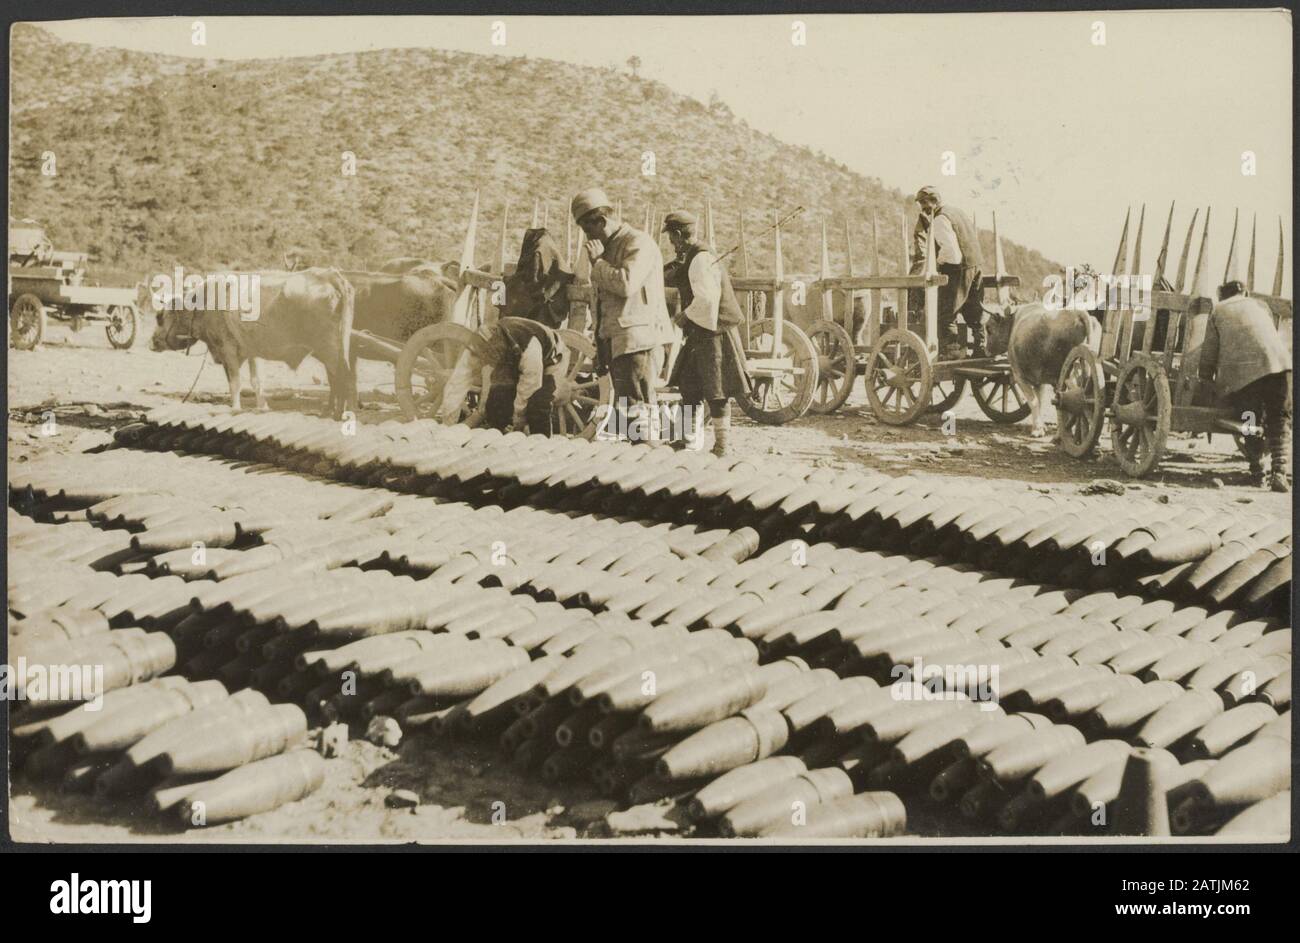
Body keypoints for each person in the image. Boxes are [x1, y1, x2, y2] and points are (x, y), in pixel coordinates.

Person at [571, 188, 673, 442]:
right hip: (619, 342)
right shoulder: (609, 248)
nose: (587, 237)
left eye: (588, 230)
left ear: (601, 221)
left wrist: (598, 264)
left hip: (638, 342)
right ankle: (641, 459)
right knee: (632, 413)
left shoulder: (637, 243)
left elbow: (626, 284)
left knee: (639, 411)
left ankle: (647, 464)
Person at [661, 211, 748, 456]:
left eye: (671, 237)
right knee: (689, 385)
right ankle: (686, 438)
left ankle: (722, 445)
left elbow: (707, 299)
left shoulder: (700, 259)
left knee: (716, 390)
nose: (671, 243)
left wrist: (684, 316)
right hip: (701, 332)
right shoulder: (694, 256)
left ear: (678, 235)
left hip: (713, 332)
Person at [1198, 268, 1292, 492]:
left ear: (1222, 295)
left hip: (1247, 374)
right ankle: (1280, 472)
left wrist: (1204, 377)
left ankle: (1257, 472)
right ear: (1245, 293)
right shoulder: (1259, 306)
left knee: (1249, 419)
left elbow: (1210, 351)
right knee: (1279, 418)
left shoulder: (1218, 311)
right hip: (1281, 367)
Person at [437, 316, 569, 435]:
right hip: (515, 357)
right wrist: (448, 425)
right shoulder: (479, 345)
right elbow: (457, 382)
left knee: (538, 404)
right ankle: (496, 434)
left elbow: (530, 384)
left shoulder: (529, 347)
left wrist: (519, 417)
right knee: (497, 398)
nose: (478, 362)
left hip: (551, 362)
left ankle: (541, 446)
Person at [913, 186, 986, 359]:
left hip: (957, 268)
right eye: (921, 204)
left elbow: (952, 254)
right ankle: (980, 347)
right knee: (973, 309)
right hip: (976, 265)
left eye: (925, 203)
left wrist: (937, 263)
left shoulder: (940, 219)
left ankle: (952, 352)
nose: (923, 208)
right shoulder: (957, 212)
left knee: (945, 311)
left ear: (934, 201)